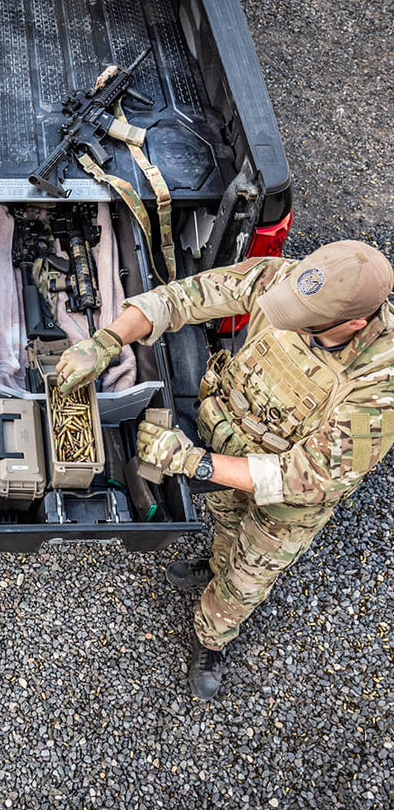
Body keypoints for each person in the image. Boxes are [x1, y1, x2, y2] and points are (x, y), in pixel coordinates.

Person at [56, 239, 394, 701]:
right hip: (226, 445)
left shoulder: (380, 381)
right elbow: (179, 298)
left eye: (303, 322)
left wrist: (193, 461)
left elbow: (308, 477)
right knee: (225, 527)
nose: (285, 322)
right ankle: (214, 563)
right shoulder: (289, 282)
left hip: (284, 505)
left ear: (355, 323)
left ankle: (211, 635)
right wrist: (107, 339)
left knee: (247, 576)